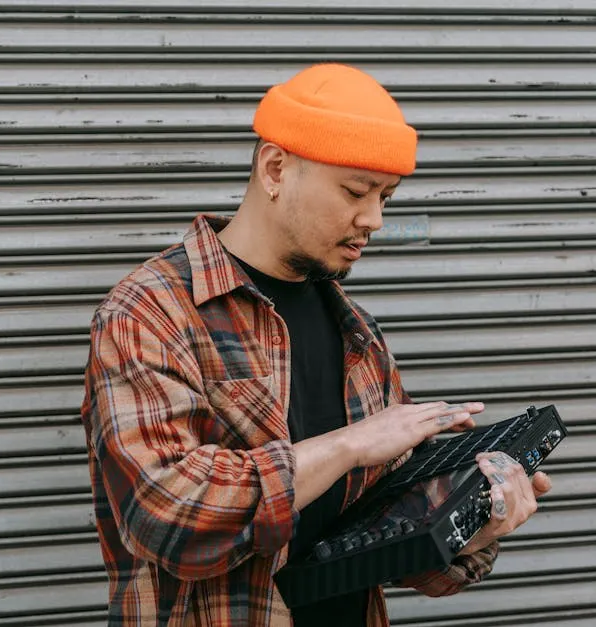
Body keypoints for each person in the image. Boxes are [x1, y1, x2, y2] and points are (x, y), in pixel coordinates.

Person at [79, 63, 552, 626]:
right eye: (356, 191)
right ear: (276, 168)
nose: (374, 218)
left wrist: (471, 525)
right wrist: (349, 445)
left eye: (387, 196)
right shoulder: (151, 311)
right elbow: (167, 514)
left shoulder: (358, 333)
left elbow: (385, 548)